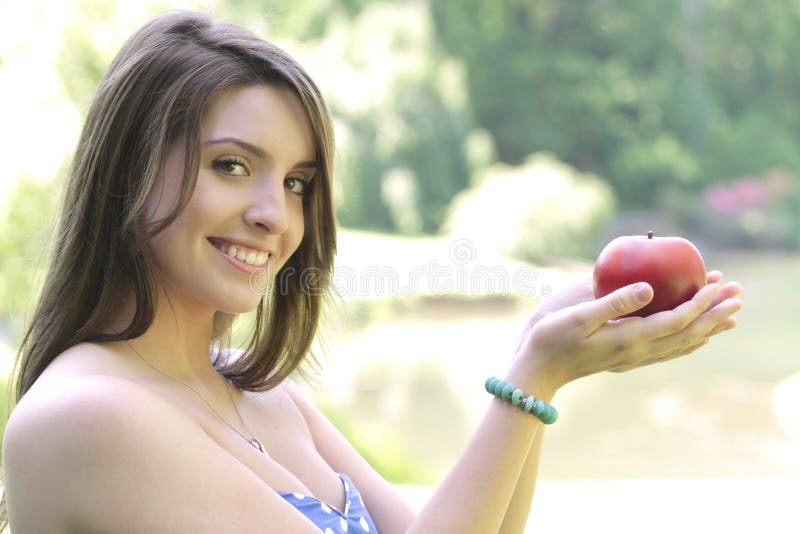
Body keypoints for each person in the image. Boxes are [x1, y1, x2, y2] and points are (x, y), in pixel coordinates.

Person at [0, 9, 743, 534]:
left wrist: (540, 356)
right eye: (231, 166)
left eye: (297, 182)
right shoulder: (87, 419)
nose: (275, 215)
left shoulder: (257, 391)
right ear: (129, 170)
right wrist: (531, 377)